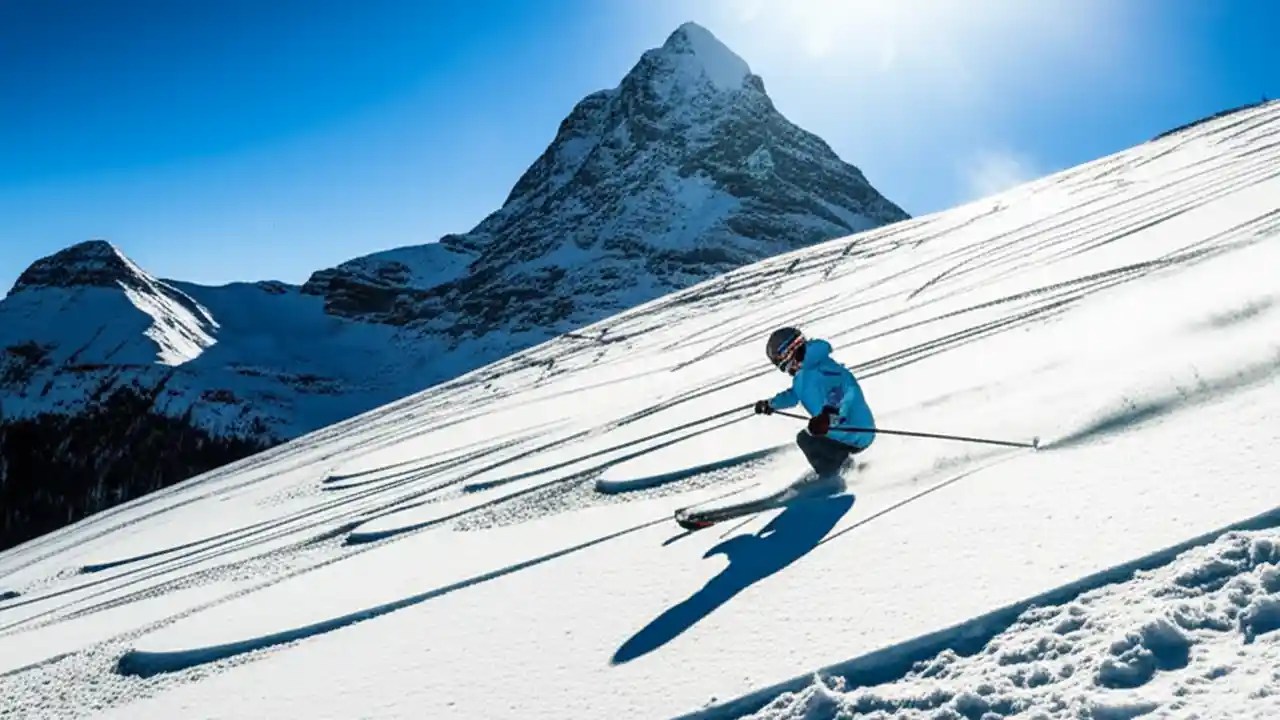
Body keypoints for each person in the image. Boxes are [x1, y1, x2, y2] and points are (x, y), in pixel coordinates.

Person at [754, 326, 874, 479]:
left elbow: (841, 390)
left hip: (855, 428)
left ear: (790, 352)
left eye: (781, 361)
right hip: (837, 429)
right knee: (808, 437)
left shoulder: (821, 366)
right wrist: (771, 404)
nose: (785, 368)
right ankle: (842, 470)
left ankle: (835, 475)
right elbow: (794, 395)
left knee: (807, 439)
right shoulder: (803, 374)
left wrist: (828, 416)